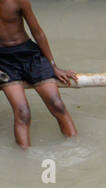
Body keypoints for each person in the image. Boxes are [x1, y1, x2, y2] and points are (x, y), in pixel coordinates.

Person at [0, 0, 77, 149]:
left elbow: (38, 32)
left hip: (29, 54)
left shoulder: (19, 1)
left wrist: (53, 66)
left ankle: (76, 149)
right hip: (3, 62)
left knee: (57, 104)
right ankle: (24, 160)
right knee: (23, 112)